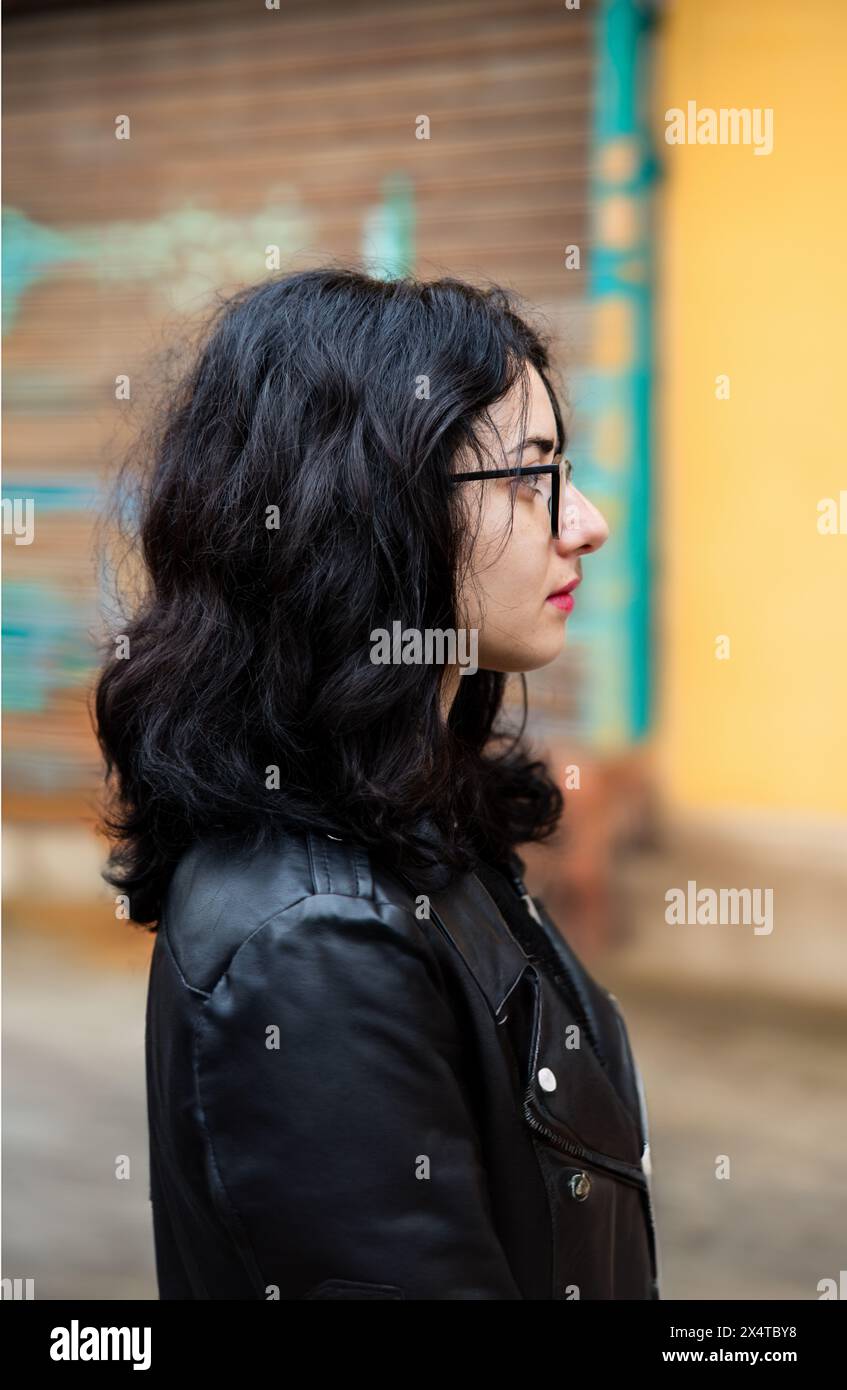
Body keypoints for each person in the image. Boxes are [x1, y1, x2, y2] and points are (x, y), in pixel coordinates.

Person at [94, 266, 660, 1300]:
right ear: (373, 508)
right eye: (531, 475)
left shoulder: (416, 814)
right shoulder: (312, 941)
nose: (585, 522)